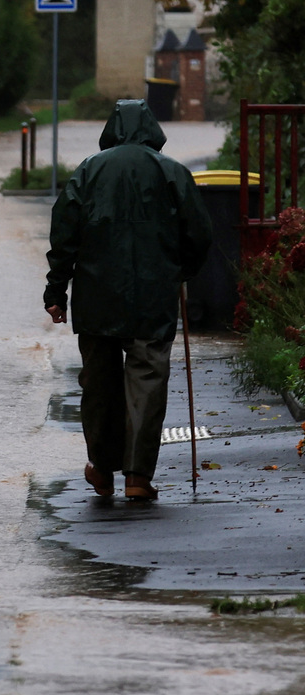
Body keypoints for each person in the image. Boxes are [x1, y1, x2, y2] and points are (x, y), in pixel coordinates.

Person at [44, 100, 213, 501]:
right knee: (147, 383)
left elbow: (64, 235)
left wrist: (56, 291)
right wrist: (182, 272)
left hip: (97, 296)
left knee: (99, 385)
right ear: (152, 129)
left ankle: (102, 469)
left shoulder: (88, 170)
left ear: (112, 130)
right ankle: (138, 477)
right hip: (153, 297)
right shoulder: (172, 171)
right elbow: (200, 234)